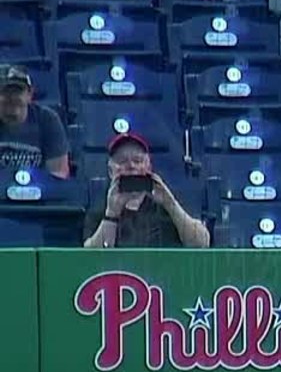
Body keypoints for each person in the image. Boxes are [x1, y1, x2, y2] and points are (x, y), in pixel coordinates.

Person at [82, 132, 210, 249]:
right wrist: (111, 215)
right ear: (111, 171)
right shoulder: (101, 210)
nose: (131, 166)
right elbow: (90, 257)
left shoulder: (169, 207)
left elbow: (201, 243)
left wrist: (170, 204)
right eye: (122, 161)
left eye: (137, 161)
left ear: (148, 167)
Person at [0, 64, 69, 178]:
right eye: (4, 91)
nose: (11, 97)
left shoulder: (47, 120)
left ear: (30, 94)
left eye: (17, 91)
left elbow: (59, 173)